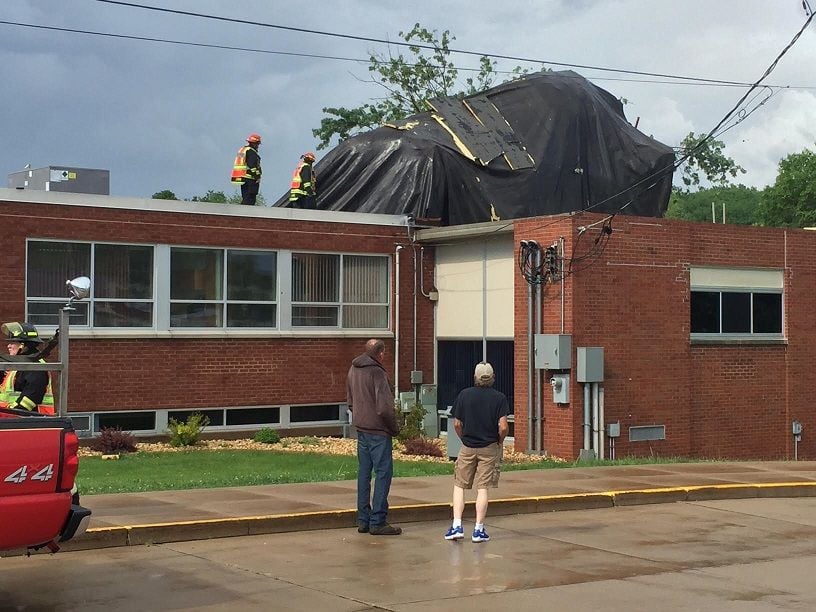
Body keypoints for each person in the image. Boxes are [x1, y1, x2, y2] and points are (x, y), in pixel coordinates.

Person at [444, 362, 509, 543]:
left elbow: (457, 423)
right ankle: (478, 530)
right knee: (483, 488)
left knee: (460, 485)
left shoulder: (464, 395)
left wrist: (463, 438)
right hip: (489, 447)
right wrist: (499, 441)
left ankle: (457, 525)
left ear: (475, 377)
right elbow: (503, 426)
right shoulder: (500, 398)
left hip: (468, 446)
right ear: (493, 378)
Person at [346, 338, 402, 535]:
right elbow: (384, 408)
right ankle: (378, 521)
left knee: (364, 474)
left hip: (362, 428)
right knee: (383, 474)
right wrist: (394, 428)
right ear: (381, 353)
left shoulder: (354, 368)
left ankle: (363, 519)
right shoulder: (377, 372)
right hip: (378, 431)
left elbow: (350, 401)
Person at [0, 322, 54, 414]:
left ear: (23, 345)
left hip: (31, 423)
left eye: (13, 342)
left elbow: (28, 402)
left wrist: (8, 413)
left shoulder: (35, 368)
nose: (9, 346)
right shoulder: (19, 365)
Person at [231, 133, 262, 205]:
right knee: (250, 198)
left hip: (243, 177)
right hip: (250, 178)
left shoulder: (243, 150)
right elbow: (252, 166)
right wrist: (257, 176)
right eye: (258, 144)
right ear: (255, 143)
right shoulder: (251, 152)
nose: (258, 146)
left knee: (245, 197)